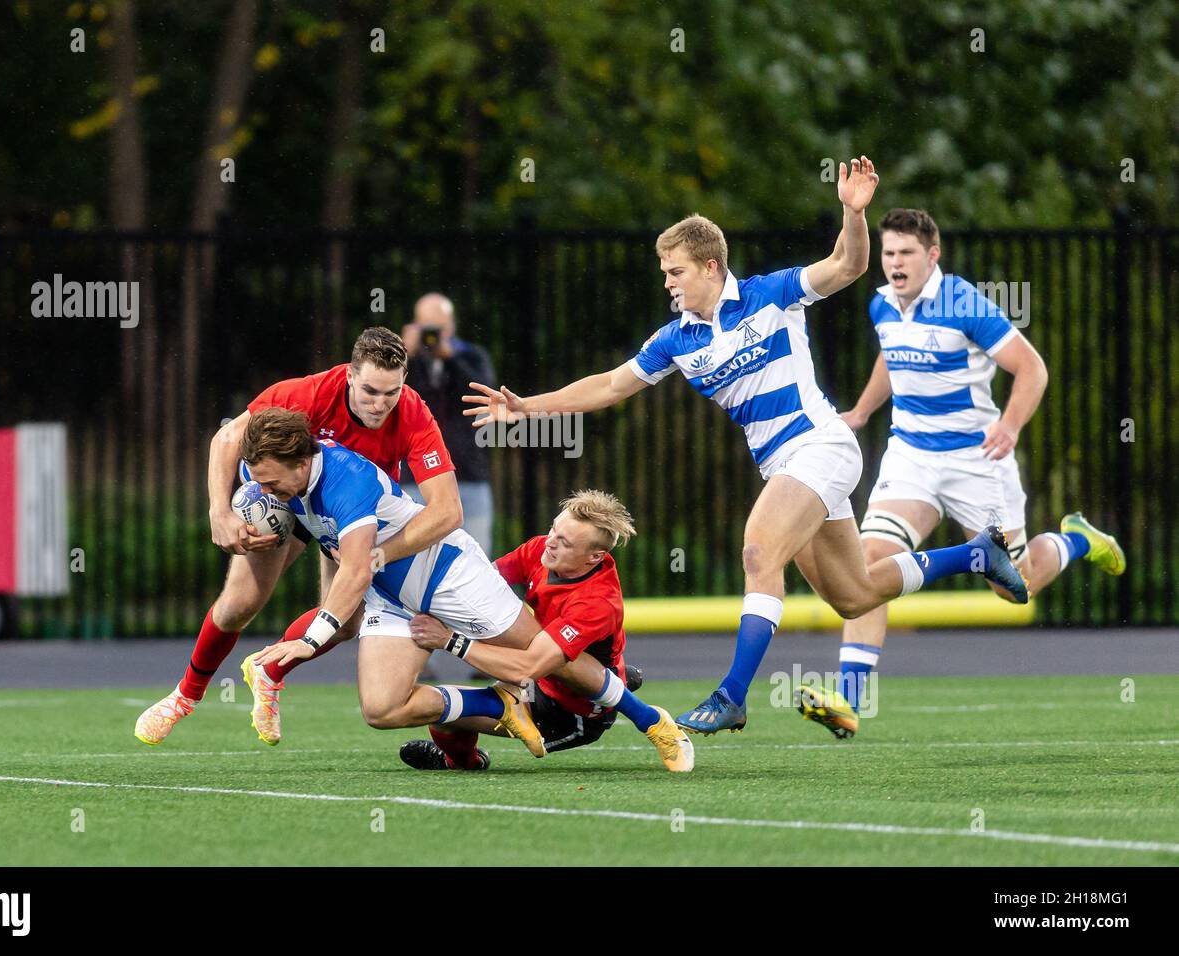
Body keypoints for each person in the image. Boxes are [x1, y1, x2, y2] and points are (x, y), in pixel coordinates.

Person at [463, 157, 1030, 738]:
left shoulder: (771, 294)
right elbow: (610, 385)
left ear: (711, 267)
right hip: (783, 467)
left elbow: (849, 264)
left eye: (675, 271)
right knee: (854, 596)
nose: (668, 283)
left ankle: (732, 694)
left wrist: (852, 212)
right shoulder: (676, 339)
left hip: (822, 447)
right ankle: (977, 555)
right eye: (664, 273)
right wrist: (526, 406)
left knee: (759, 552)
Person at [796, 208, 1126, 739]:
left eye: (906, 253)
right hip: (911, 458)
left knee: (1014, 590)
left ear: (933, 256)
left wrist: (1012, 426)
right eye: (888, 253)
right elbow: (891, 355)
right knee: (868, 563)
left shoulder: (964, 303)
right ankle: (849, 698)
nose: (895, 263)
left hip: (978, 462)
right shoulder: (883, 304)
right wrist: (860, 411)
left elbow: (1032, 368)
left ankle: (1076, 542)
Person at [243, 408, 694, 772]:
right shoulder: (285, 476)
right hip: (394, 595)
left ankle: (651, 720)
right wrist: (224, 519)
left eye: (268, 482)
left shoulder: (345, 481)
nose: (263, 490)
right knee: (382, 709)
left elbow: (356, 569)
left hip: (446, 578)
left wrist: (310, 642)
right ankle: (496, 706)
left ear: (302, 462)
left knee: (547, 660)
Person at [134, 327, 462, 746]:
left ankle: (268, 670)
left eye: (391, 393)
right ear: (348, 376)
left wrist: (378, 555)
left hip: (352, 517)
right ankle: (184, 697)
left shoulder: (413, 413)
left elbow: (448, 511)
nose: (380, 405)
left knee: (343, 621)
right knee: (238, 605)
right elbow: (229, 437)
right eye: (370, 391)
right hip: (290, 500)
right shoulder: (310, 393)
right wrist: (219, 510)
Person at [400, 490, 640, 769]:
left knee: (440, 710)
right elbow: (481, 585)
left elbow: (526, 668)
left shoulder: (597, 603)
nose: (550, 542)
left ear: (594, 557)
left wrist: (448, 640)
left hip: (570, 712)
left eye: (564, 542)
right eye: (553, 529)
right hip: (540, 677)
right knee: (444, 708)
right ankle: (465, 760)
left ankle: (460, 762)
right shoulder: (540, 549)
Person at [400, 293, 497, 556]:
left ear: (451, 326)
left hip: (469, 475)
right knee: (416, 560)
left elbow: (486, 393)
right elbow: (387, 397)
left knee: (477, 556)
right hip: (416, 478)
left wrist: (450, 357)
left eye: (438, 328)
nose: (432, 336)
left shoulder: (471, 357)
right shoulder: (406, 362)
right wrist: (402, 353)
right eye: (426, 327)